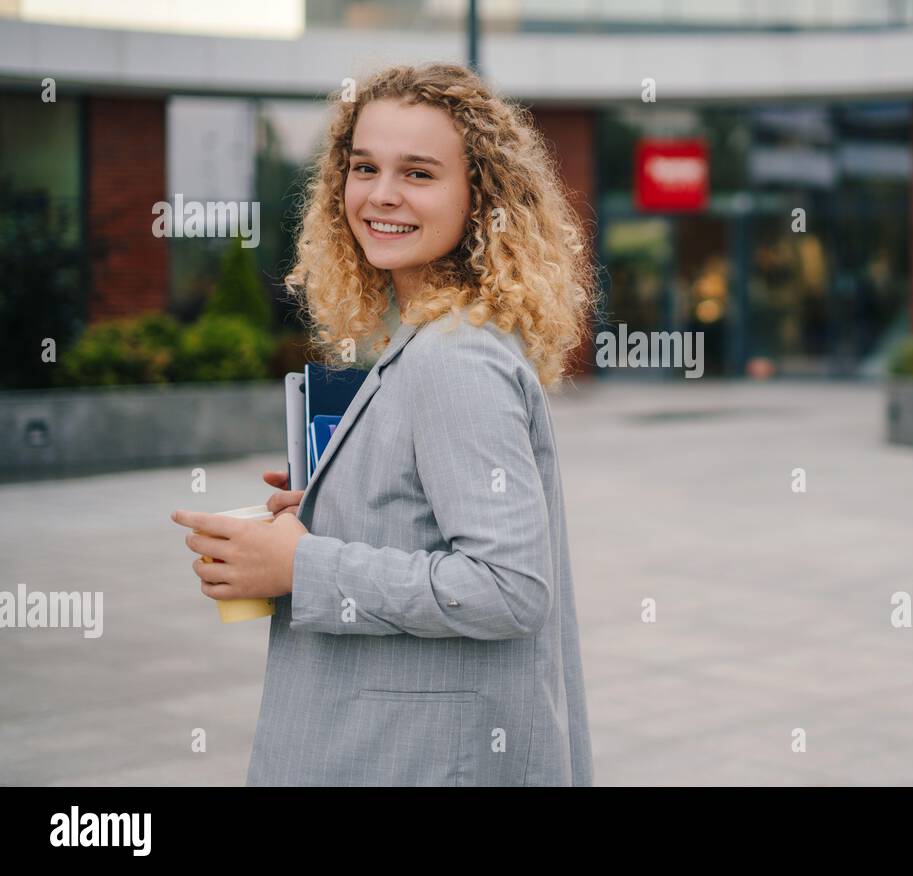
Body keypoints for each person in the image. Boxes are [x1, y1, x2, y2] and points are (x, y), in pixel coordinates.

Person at [171, 62, 597, 786]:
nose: (381, 195)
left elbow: (510, 586)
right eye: (364, 166)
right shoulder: (438, 336)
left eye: (419, 173)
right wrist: (332, 509)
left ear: (480, 197)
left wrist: (298, 565)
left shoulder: (452, 358)